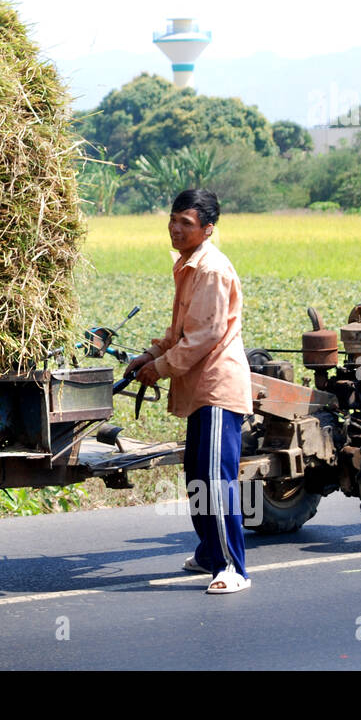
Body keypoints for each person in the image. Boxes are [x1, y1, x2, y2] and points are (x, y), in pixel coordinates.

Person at [123, 189, 254, 594]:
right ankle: (209, 552)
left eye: (186, 223)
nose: (176, 229)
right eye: (173, 219)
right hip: (198, 387)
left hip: (217, 386)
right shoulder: (188, 265)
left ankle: (233, 568)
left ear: (208, 229)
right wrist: (148, 355)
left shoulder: (211, 269)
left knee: (217, 478)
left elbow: (205, 336)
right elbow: (179, 331)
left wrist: (159, 368)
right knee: (197, 475)